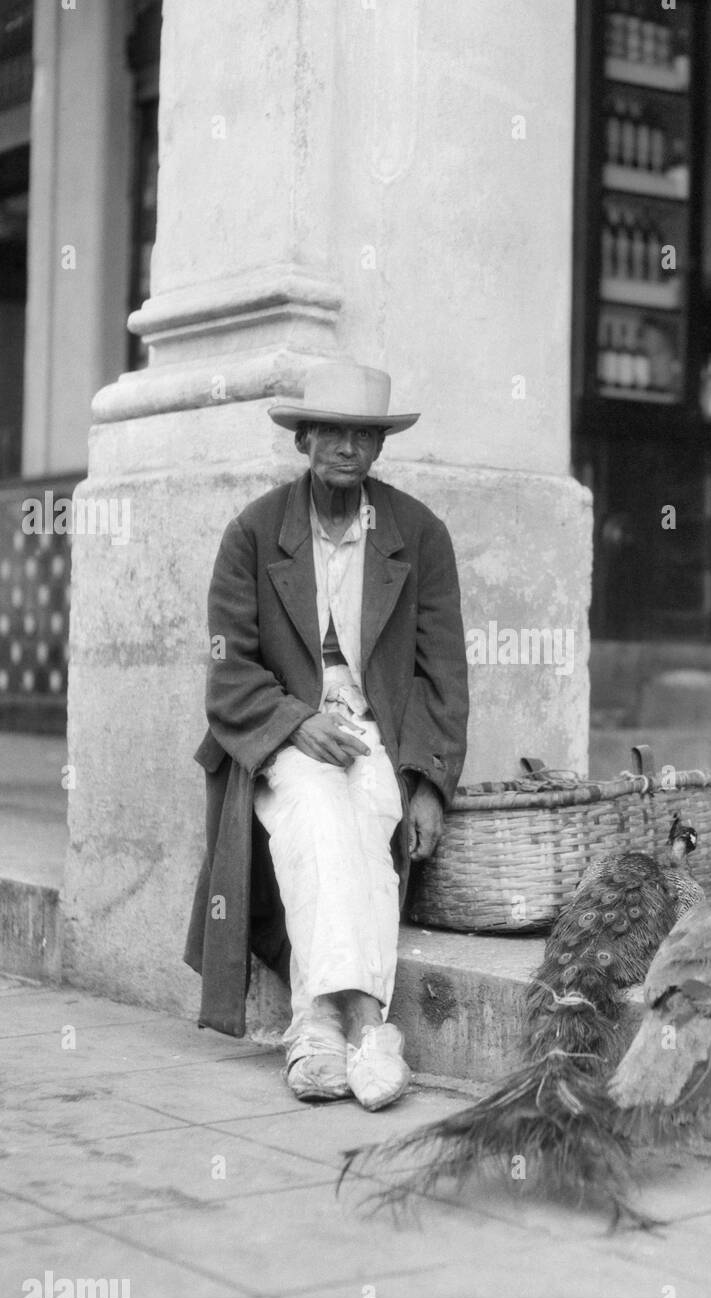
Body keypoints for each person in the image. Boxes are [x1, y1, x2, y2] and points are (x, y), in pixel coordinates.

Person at [184, 361, 469, 1110]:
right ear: (303, 438)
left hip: (374, 732)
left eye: (364, 435)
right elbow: (229, 671)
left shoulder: (417, 534)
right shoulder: (252, 533)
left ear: (378, 448)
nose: (347, 447)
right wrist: (297, 722)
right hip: (283, 732)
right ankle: (365, 1025)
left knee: (370, 807)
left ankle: (320, 1022)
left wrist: (431, 784)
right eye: (332, 432)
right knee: (312, 807)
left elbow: (443, 674)